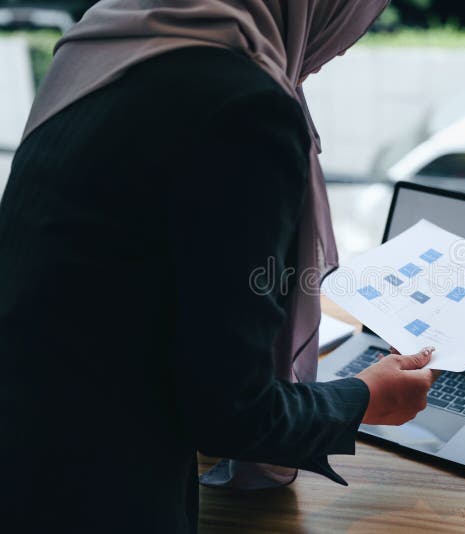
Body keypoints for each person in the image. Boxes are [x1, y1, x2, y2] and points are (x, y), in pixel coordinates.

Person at [0, 1, 437, 532]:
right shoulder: (242, 106)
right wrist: (364, 398)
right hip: (103, 489)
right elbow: (230, 412)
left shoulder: (109, 33)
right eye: (352, 23)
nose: (339, 48)